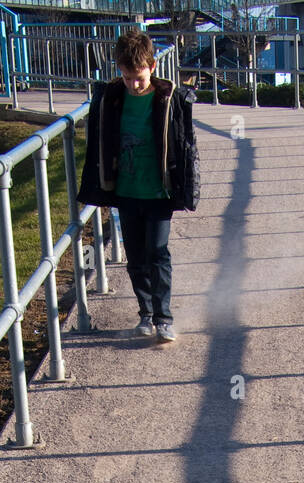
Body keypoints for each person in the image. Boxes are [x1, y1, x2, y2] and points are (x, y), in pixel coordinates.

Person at [77, 29, 200, 345]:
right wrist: (98, 186)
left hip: (159, 191)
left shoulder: (169, 99)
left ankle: (164, 317)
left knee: (157, 252)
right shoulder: (110, 98)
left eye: (139, 77)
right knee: (135, 256)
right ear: (120, 70)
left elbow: (186, 146)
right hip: (126, 191)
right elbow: (98, 144)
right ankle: (145, 313)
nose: (133, 83)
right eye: (127, 76)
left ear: (153, 67)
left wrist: (187, 187)